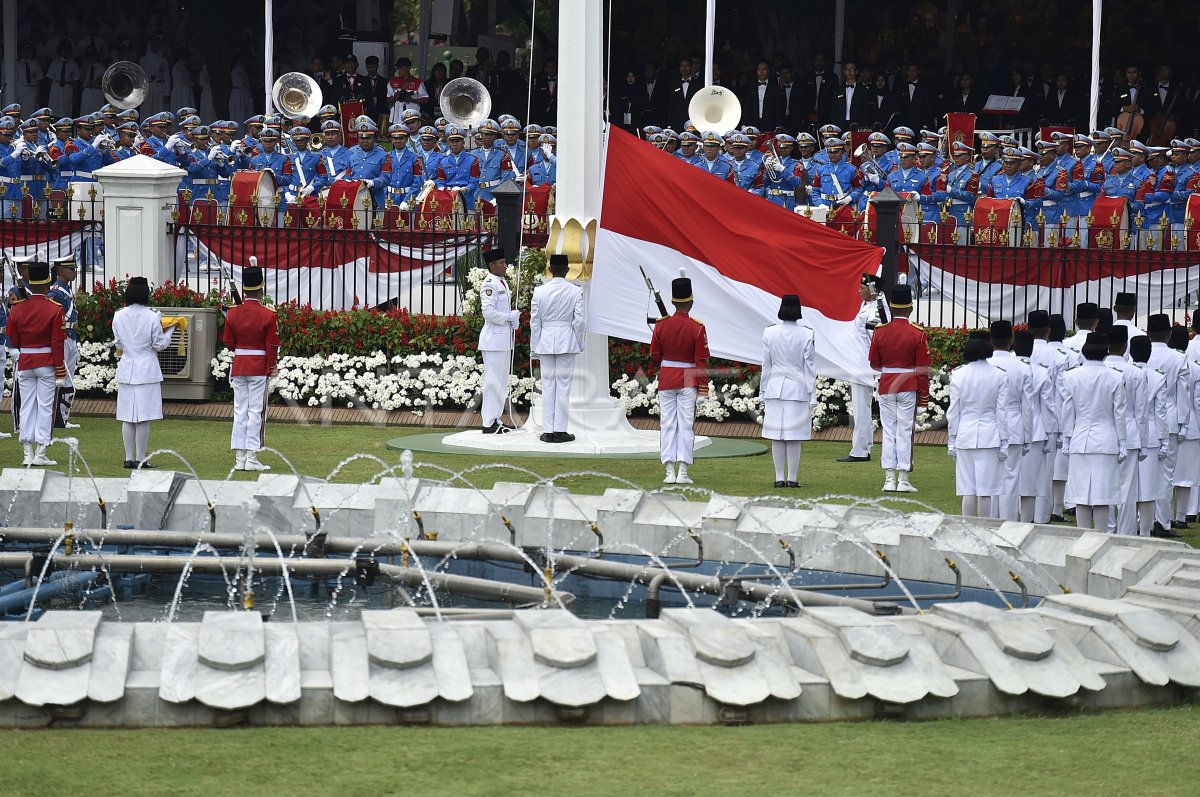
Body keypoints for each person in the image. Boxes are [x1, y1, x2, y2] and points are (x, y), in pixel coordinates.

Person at [1061, 332, 1128, 531]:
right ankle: (1101, 537)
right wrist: (1122, 441)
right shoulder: (1115, 376)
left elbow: (1067, 411)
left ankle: (1084, 536)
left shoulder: (1070, 376)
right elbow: (1119, 413)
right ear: (1105, 351)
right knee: (1102, 495)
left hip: (1080, 439)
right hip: (1107, 440)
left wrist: (1067, 438)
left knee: (1081, 494)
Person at [868, 282, 930, 492]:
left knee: (888, 431)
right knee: (904, 431)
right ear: (910, 308)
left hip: (887, 384)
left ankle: (889, 479)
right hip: (907, 384)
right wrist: (924, 397)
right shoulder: (917, 333)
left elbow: (874, 363)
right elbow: (922, 368)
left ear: (891, 308)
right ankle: (902, 479)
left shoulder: (880, 331)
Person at [112, 277, 180, 469]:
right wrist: (172, 329)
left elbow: (118, 343)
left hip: (128, 368)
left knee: (127, 416)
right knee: (143, 417)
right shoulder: (152, 315)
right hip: (147, 369)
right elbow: (159, 344)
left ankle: (129, 457)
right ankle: (140, 458)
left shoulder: (119, 315)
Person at [5, 259, 66, 466]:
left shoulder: (17, 308)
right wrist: (60, 371)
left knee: (27, 406)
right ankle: (40, 452)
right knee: (45, 407)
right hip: (46, 361)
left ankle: (27, 452)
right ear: (48, 283)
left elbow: (14, 338)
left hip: (26, 360)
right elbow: (57, 343)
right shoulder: (55, 309)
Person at [651, 269, 709, 485]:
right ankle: (683, 471)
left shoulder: (660, 325)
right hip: (688, 379)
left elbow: (655, 354)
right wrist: (703, 388)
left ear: (673, 301)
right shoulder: (697, 327)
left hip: (667, 377)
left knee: (667, 424)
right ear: (691, 301)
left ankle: (669, 472)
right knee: (686, 424)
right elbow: (701, 360)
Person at [223, 264, 280, 471]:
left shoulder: (233, 312)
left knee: (240, 411)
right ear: (262, 288)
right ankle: (252, 457)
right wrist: (272, 366)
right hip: (258, 366)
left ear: (244, 288)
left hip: (239, 365)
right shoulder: (268, 314)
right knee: (256, 412)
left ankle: (240, 459)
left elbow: (229, 342)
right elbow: (272, 345)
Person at [948, 335, 1009, 517]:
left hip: (965, 435)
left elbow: (954, 411)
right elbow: (1002, 411)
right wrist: (1004, 440)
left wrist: (952, 438)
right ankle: (984, 529)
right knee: (985, 490)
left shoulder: (959, 374)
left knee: (968, 489)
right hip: (989, 436)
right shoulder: (999, 375)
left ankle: (969, 528)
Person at [760, 295, 816, 488]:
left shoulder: (769, 332)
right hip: (797, 389)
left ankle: (779, 478)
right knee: (793, 436)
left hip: (775, 388)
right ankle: (791, 478)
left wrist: (762, 391)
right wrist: (813, 393)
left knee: (778, 435)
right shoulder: (807, 334)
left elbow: (766, 366)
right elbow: (810, 367)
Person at [529, 254, 584, 444]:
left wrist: (534, 346)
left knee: (548, 385)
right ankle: (560, 430)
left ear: (550, 270)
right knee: (563, 386)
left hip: (545, 339)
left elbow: (535, 322)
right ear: (567, 269)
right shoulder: (575, 291)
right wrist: (579, 342)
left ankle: (548, 430)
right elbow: (579, 321)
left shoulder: (539, 291)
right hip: (566, 339)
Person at [986, 321, 1034, 520]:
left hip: (989, 427)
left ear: (991, 340)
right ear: (1012, 340)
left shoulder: (985, 365)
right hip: (1014, 426)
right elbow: (1028, 406)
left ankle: (990, 522)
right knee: (1011, 478)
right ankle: (1008, 524)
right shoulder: (1021, 367)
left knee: (988, 478)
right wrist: (1028, 436)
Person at [1146, 313, 1187, 537]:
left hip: (1143, 420)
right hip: (1169, 418)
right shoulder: (1178, 359)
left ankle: (1145, 518)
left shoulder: (1139, 355)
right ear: (1169, 334)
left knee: (1144, 472)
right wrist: (1183, 423)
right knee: (1166, 474)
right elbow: (1184, 394)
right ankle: (1162, 521)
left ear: (1148, 333)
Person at [840, 273, 888, 463]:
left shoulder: (876, 309)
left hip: (866, 365)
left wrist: (872, 364)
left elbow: (875, 339)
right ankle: (863, 446)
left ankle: (860, 450)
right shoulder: (868, 306)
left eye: (864, 286)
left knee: (862, 408)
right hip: (862, 364)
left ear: (873, 290)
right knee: (861, 408)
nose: (859, 288)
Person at [1130, 335, 1171, 536]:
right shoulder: (1157, 376)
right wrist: (1164, 440)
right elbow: (1160, 412)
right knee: (1147, 488)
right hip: (1152, 434)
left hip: (1129, 433)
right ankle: (1145, 531)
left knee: (1128, 486)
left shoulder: (1124, 373)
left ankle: (1128, 528)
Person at [478, 249, 520, 434]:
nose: (504, 265)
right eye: (501, 262)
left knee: (501, 382)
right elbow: (487, 312)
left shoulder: (501, 282)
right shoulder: (489, 284)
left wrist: (512, 320)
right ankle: (488, 422)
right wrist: (508, 317)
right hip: (493, 340)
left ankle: (495, 419)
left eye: (504, 261)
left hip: (503, 340)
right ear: (491, 265)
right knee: (493, 382)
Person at [47, 256, 80, 429]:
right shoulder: (56, 291)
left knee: (69, 379)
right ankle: (57, 416)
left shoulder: (66, 290)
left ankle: (63, 417)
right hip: (63, 337)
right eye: (71, 269)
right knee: (61, 377)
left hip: (71, 336)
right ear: (61, 271)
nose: (74, 272)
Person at [387, 57, 428, 127]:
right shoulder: (392, 82)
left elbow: (426, 100)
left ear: (408, 68)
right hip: (396, 119)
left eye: (401, 68)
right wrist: (395, 97)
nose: (399, 71)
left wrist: (412, 100)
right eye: (398, 68)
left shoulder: (418, 82)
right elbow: (388, 99)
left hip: (412, 119)